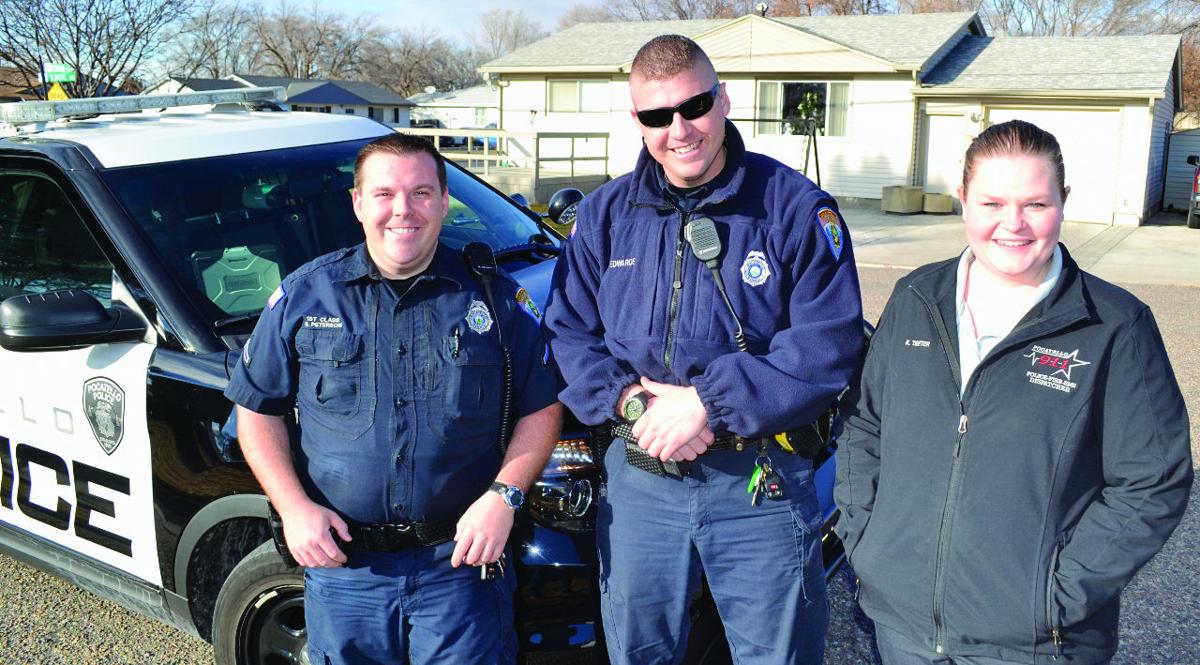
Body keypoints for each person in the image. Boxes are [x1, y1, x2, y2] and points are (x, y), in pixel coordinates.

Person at [544, 35, 863, 664]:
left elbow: (829, 346)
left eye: (694, 107)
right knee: (639, 651)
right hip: (640, 483)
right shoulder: (605, 217)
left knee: (777, 654)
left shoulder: (794, 210)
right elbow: (567, 335)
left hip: (758, 482)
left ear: (723, 99)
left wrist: (706, 405)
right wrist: (633, 402)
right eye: (658, 116)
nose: (680, 130)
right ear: (638, 121)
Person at [835, 119, 1193, 664]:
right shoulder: (915, 298)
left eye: (1035, 204)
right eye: (992, 203)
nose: (1013, 225)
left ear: (1064, 202)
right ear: (963, 201)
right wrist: (867, 541)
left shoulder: (1115, 326)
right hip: (903, 629)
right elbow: (865, 422)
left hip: (1036, 645)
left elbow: (1153, 479)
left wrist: (1057, 593)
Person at [224, 133, 562, 664]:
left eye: (422, 193)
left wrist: (505, 495)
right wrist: (293, 508)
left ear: (444, 202)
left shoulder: (496, 299)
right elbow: (256, 409)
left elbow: (541, 407)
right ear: (359, 203)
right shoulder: (305, 295)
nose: (403, 210)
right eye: (384, 194)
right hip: (345, 573)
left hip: (461, 571)